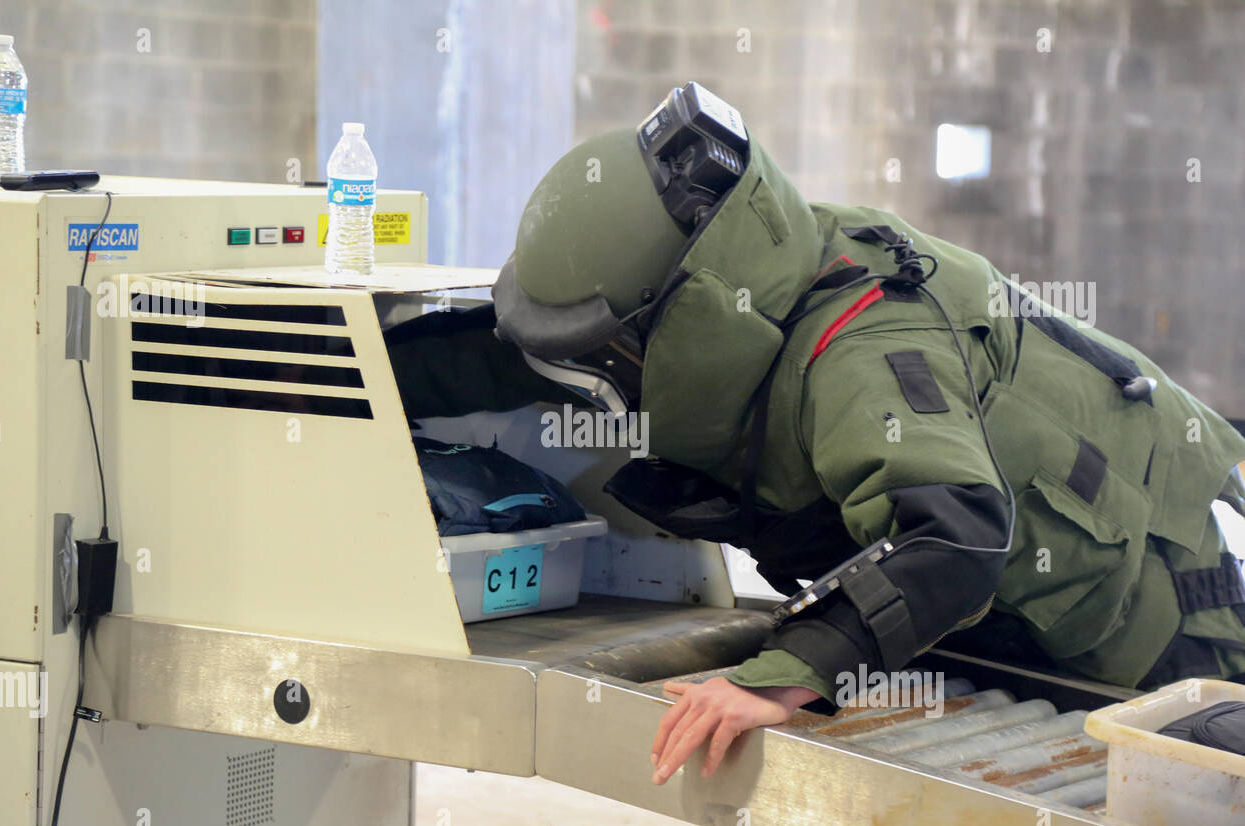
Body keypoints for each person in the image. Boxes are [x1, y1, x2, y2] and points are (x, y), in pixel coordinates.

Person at [390, 90, 1245, 787]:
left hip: (1159, 639)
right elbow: (520, 362)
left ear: (680, 321)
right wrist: (341, 368)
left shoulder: (859, 350)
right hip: (1006, 635)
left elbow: (954, 537)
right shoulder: (746, 271)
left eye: (605, 354)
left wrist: (787, 672)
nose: (594, 379)